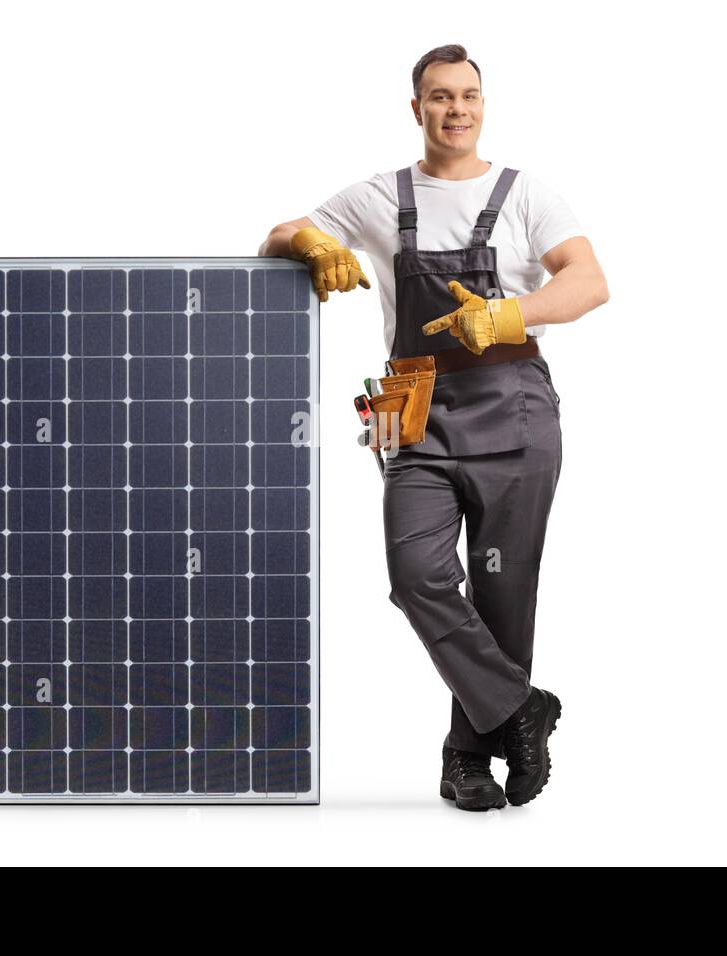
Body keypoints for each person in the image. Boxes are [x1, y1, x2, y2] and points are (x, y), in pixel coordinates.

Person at [259, 44, 609, 810]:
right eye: (441, 96)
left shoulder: (525, 196)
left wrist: (508, 312)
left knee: (501, 592)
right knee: (417, 579)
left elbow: (588, 282)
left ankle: (465, 762)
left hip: (513, 408)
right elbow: (279, 236)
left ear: (484, 105)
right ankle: (520, 709)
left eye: (470, 96)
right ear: (416, 108)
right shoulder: (379, 196)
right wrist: (312, 243)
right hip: (412, 413)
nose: (457, 109)